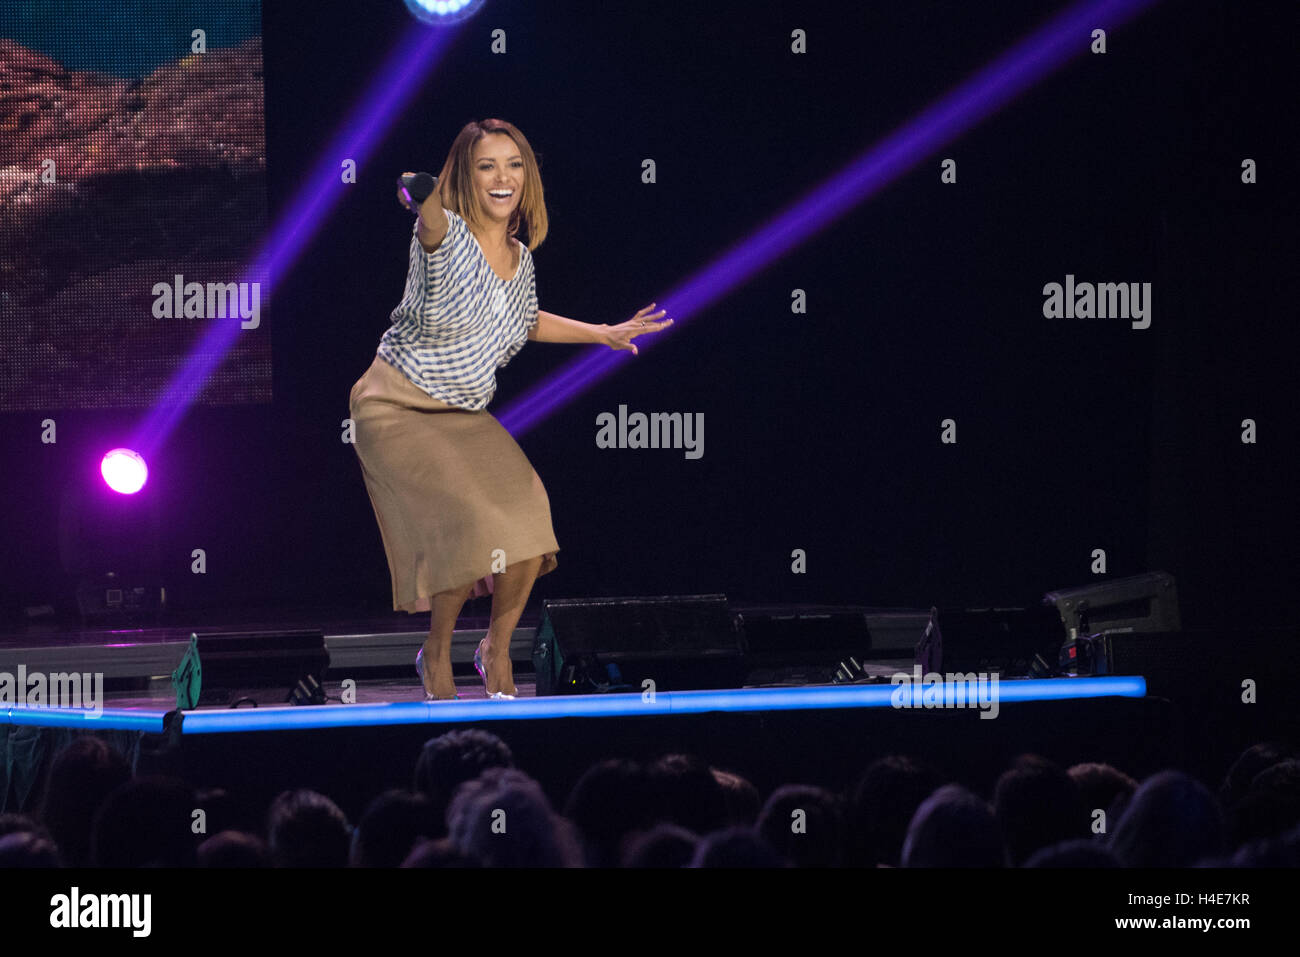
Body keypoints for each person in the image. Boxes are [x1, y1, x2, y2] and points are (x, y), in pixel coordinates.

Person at [349, 119, 672, 701]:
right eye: (487, 166)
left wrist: (602, 333)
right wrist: (418, 192)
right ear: (466, 177)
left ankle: (495, 649)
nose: (503, 178)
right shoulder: (447, 236)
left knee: (527, 520)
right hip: (396, 407)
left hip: (464, 414)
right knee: (469, 522)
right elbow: (421, 204)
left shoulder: (521, 259)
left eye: (514, 164)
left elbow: (525, 320)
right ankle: (437, 655)